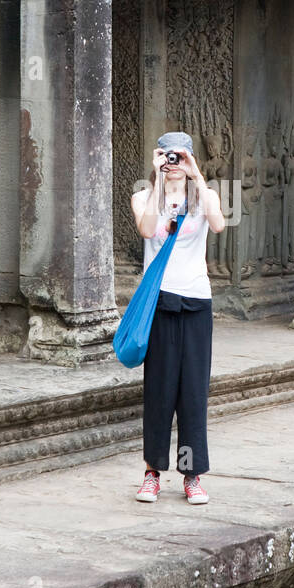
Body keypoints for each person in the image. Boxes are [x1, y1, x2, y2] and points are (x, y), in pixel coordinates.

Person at [129, 131, 226, 504]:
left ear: (188, 159)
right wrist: (156, 180)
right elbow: (147, 229)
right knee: (159, 391)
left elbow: (218, 225)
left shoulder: (206, 197)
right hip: (161, 302)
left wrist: (197, 175)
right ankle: (152, 473)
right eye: (167, 157)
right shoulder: (143, 195)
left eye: (179, 157)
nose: (173, 164)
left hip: (197, 301)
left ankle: (192, 475)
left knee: (193, 393)